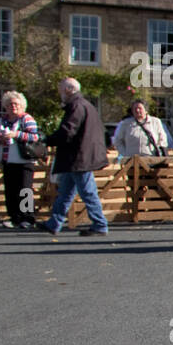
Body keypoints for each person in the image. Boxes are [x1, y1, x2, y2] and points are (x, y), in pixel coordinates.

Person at [40, 77, 109, 236]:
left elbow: (68, 131)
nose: (59, 94)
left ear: (68, 90)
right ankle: (54, 223)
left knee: (87, 191)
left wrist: (47, 140)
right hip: (78, 157)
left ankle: (100, 224)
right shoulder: (85, 105)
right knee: (66, 191)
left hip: (78, 157)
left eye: (60, 90)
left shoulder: (76, 106)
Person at [0, 90, 40, 229]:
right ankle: (14, 217)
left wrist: (16, 134)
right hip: (8, 159)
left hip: (24, 159)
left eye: (16, 104)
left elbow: (35, 137)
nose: (13, 107)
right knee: (11, 190)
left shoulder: (26, 119)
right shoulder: (3, 119)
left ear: (22, 106)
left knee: (25, 189)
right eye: (10, 104)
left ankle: (28, 218)